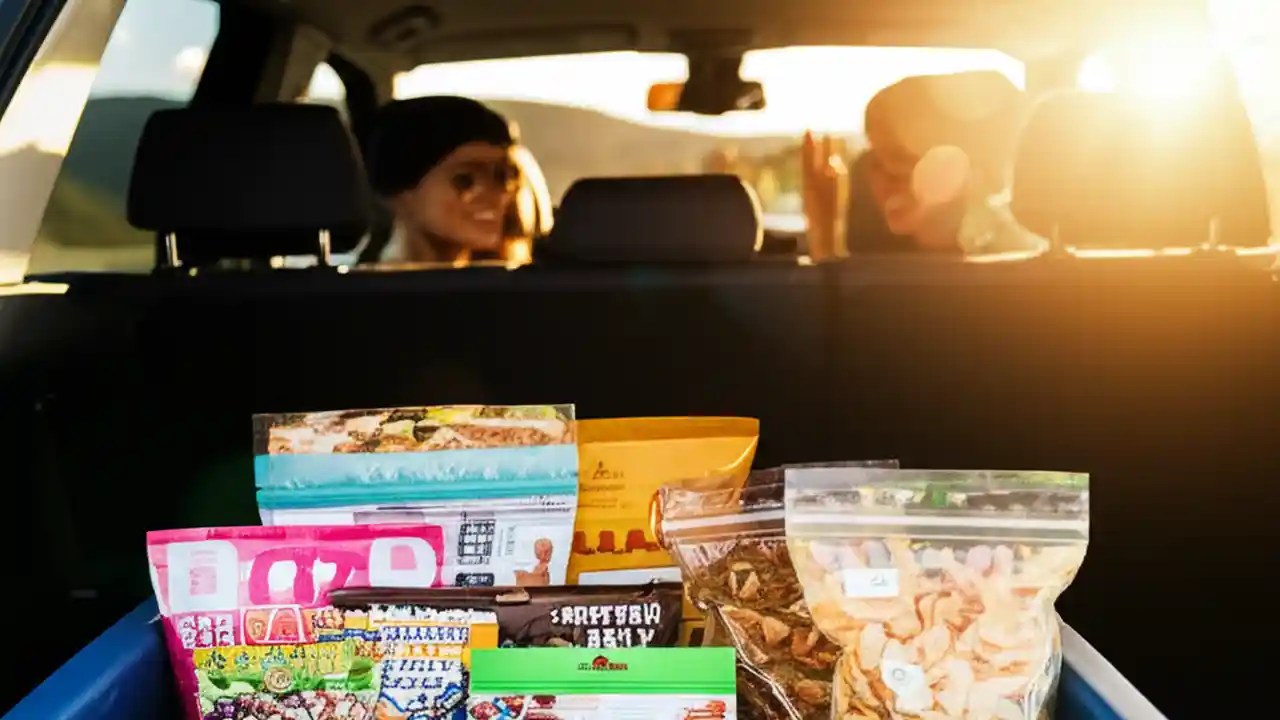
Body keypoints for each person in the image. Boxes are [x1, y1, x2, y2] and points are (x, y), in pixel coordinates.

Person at [852, 71, 1046, 255]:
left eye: (904, 169)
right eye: (875, 161)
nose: (885, 184)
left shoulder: (1016, 269)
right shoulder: (858, 271)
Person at [365, 96, 531, 264]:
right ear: (400, 191)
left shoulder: (510, 284)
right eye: (465, 180)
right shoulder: (368, 289)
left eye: (503, 177)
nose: (498, 195)